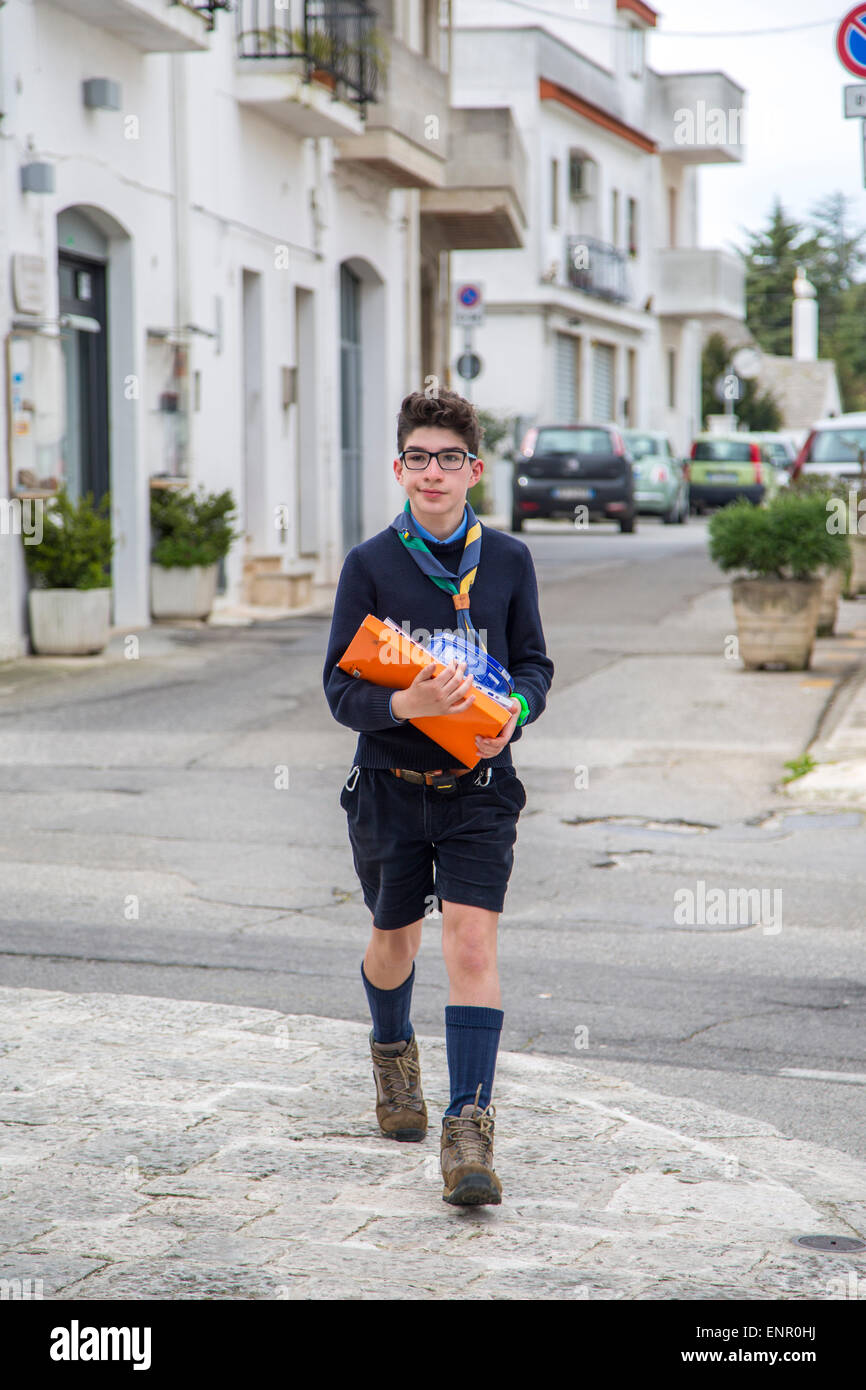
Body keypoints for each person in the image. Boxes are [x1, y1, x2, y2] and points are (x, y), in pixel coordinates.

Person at [322, 388, 554, 1206]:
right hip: (389, 786)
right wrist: (403, 707)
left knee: (470, 946)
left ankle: (469, 1123)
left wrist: (514, 715)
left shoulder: (512, 562)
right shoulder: (370, 566)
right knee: (395, 940)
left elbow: (533, 665)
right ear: (399, 468)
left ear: (474, 471)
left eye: (448, 458)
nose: (432, 472)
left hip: (480, 790)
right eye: (417, 457)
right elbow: (338, 691)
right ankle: (392, 1053)